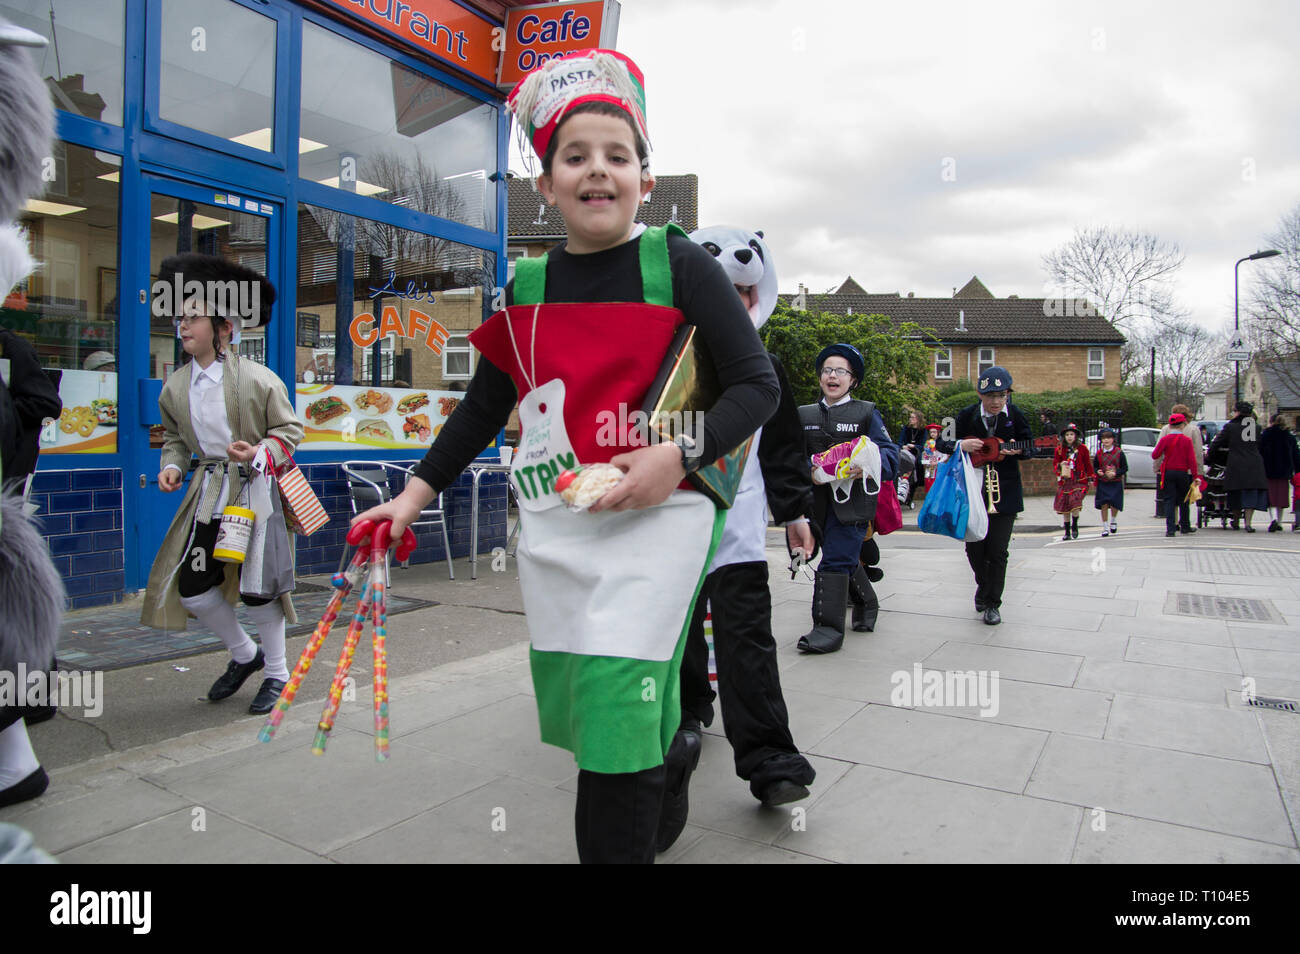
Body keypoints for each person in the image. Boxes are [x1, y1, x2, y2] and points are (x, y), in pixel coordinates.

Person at [351, 50, 779, 864]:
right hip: (560, 518)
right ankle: (675, 752)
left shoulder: (679, 264)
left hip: (662, 517)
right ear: (544, 185)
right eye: (575, 157)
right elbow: (484, 405)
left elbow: (757, 387)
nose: (598, 172)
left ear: (645, 181)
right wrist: (411, 496)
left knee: (617, 696)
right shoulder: (527, 286)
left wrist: (676, 461)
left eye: (618, 157)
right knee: (598, 705)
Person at [660, 226, 815, 853]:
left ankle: (773, 760)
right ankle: (688, 709)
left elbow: (783, 446)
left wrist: (796, 510)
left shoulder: (765, 365)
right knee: (673, 627)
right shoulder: (665, 354)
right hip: (667, 515)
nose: (734, 299)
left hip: (741, 522)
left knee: (747, 635)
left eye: (744, 292)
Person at [139, 254, 303, 714]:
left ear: (223, 326)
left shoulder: (258, 380)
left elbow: (290, 432)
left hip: (254, 492)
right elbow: (174, 437)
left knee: (257, 588)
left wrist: (258, 451)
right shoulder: (174, 386)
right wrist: (172, 464)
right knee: (192, 586)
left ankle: (277, 673)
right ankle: (244, 654)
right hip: (207, 493)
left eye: (192, 317)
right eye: (179, 317)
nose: (182, 325)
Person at [795, 343, 898, 654]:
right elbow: (789, 457)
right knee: (843, 556)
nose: (832, 376)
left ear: (853, 380)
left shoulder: (866, 413)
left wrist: (863, 465)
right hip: (816, 504)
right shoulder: (804, 415)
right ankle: (867, 603)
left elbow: (892, 458)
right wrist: (808, 472)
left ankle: (826, 629)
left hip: (852, 505)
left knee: (836, 560)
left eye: (841, 371)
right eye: (827, 370)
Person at [935, 366, 1032, 625]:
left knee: (998, 551)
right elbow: (940, 443)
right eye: (991, 396)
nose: (997, 402)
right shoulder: (965, 415)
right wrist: (961, 445)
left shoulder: (1017, 416)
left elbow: (1030, 446)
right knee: (975, 548)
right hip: (971, 492)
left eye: (1002, 396)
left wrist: (1017, 451)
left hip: (1005, 495)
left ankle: (992, 603)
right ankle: (983, 584)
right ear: (980, 394)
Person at [1208, 401, 1269, 532]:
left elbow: (1217, 443)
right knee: (1250, 492)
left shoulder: (1231, 427)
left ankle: (1235, 521)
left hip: (1237, 462)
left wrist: (1210, 457)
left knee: (1235, 492)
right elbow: (1259, 445)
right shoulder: (1256, 427)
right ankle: (1248, 523)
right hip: (1254, 462)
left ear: (1238, 412)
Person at [1152, 412, 1198, 537]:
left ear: (1170, 426)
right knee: (1184, 499)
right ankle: (1185, 526)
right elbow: (1192, 460)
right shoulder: (1187, 441)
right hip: (1182, 473)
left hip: (1168, 473)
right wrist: (1195, 476)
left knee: (1169, 500)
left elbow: (1155, 455)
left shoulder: (1165, 439)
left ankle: (1170, 529)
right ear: (1182, 425)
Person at [1052, 422, 1094, 540]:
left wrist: (1091, 477)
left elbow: (1087, 464)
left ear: (1075, 436)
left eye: (1071, 434)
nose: (1069, 437)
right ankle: (1067, 532)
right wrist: (1061, 464)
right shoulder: (1060, 449)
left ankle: (1074, 525)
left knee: (1075, 503)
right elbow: (1055, 463)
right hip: (1066, 480)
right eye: (1067, 435)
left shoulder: (1082, 448)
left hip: (1078, 480)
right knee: (1065, 506)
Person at [1259, 413, 1300, 532]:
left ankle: (1273, 519)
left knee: (1271, 497)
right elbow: (1295, 455)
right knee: (1282, 497)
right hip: (1284, 472)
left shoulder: (1266, 435)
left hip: (1269, 470)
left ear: (1271, 422)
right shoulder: (1289, 437)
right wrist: (1297, 470)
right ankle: (1280, 522)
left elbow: (1260, 452)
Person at [1093, 426, 1127, 536]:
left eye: (1108, 438)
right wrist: (1098, 472)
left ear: (1113, 439)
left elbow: (1125, 468)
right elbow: (1095, 467)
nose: (1106, 440)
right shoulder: (1098, 454)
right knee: (1103, 504)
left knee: (1114, 503)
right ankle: (1105, 527)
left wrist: (1115, 473)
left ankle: (1113, 520)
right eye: (1103, 438)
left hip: (1115, 482)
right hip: (1103, 482)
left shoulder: (1119, 453)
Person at [898, 410, 927, 509]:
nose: (910, 419)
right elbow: (900, 441)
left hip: (916, 453)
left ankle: (911, 495)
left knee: (917, 466)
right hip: (905, 453)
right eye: (910, 417)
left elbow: (923, 445)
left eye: (913, 417)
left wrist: (914, 446)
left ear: (918, 419)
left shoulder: (923, 431)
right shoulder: (906, 429)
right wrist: (903, 446)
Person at [921, 422, 947, 492]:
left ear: (938, 433)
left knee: (937, 483)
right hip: (929, 464)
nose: (932, 434)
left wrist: (938, 462)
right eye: (931, 432)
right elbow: (925, 454)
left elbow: (945, 455)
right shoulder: (927, 443)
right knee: (928, 481)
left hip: (938, 465)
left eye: (934, 432)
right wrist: (925, 462)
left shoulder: (942, 443)